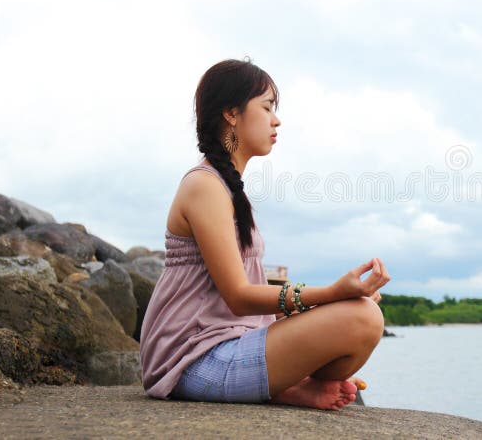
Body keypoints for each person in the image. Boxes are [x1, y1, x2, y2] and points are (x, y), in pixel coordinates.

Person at [139, 59, 390, 410]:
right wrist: (331, 293)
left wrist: (335, 300)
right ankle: (288, 388)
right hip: (192, 359)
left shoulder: (227, 189)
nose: (276, 120)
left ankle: (290, 387)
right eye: (267, 106)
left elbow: (238, 309)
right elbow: (239, 298)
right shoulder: (204, 187)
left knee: (360, 310)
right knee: (362, 318)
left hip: (228, 342)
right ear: (231, 113)